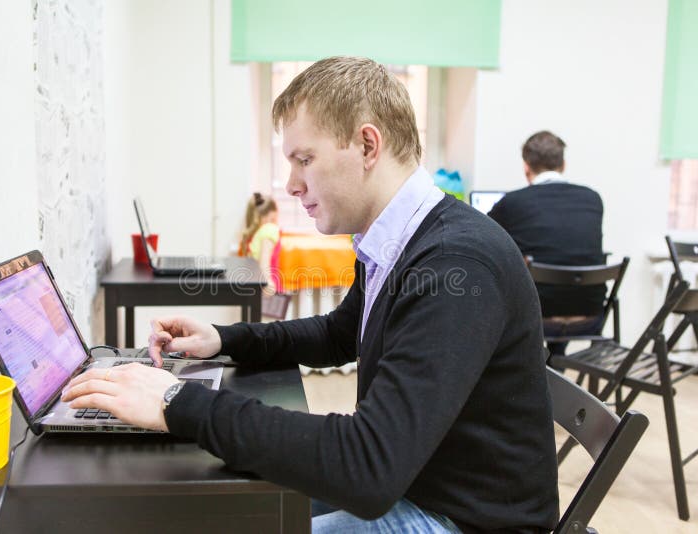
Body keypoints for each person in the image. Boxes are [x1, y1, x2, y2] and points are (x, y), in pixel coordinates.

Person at [63, 56, 559, 533]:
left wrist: (176, 401)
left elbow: (367, 465)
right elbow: (338, 333)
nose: (291, 184)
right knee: (215, 508)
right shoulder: (400, 240)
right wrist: (224, 338)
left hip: (462, 519)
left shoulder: (454, 262)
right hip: (416, 481)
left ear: (367, 146)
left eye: (305, 159)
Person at [488, 131, 605, 356]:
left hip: (535, 316)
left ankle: (543, 367)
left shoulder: (512, 203)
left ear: (526, 167)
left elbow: (485, 241)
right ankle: (555, 363)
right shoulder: (592, 199)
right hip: (589, 315)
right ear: (563, 165)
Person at [240, 192, 282, 296]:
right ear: (272, 213)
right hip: (267, 287)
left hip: (256, 287)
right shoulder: (269, 229)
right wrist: (268, 282)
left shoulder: (255, 235)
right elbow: (264, 261)